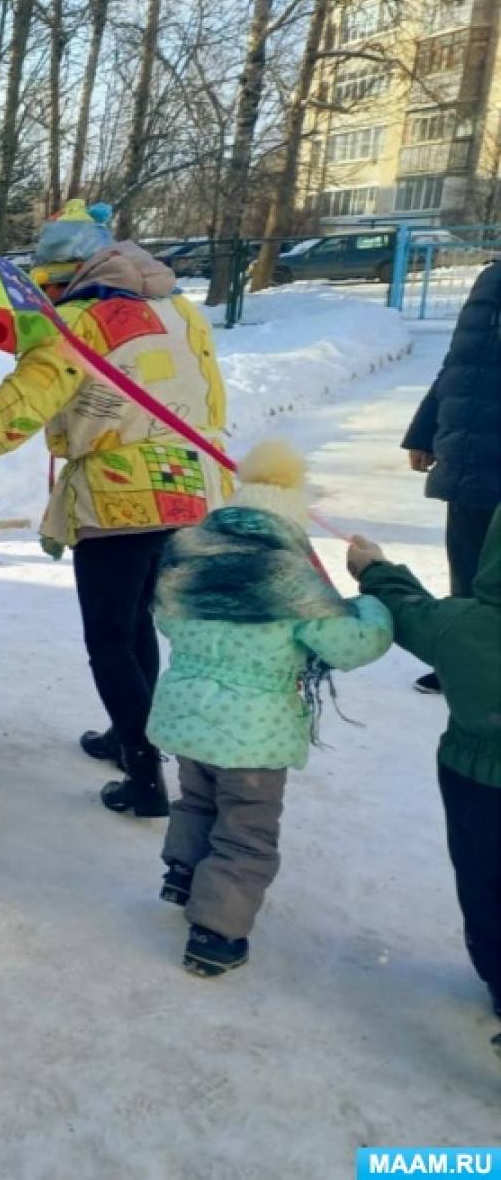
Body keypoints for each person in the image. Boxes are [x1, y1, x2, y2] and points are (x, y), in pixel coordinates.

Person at [0, 199, 230, 815]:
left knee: (111, 637)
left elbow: (16, 409)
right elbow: (212, 400)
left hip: (119, 497)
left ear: (62, 275)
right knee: (136, 621)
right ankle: (128, 737)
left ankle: (146, 780)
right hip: (193, 487)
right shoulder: (180, 311)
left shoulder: (82, 321)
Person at [147, 441, 393, 976]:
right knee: (246, 830)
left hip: (186, 715)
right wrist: (373, 602)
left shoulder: (187, 558)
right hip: (253, 737)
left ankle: (183, 874)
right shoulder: (287, 577)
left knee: (197, 799)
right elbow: (351, 645)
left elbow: (165, 621)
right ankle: (216, 933)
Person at [348, 510, 501, 1033]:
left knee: (485, 883)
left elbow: (406, 608)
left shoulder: (463, 626)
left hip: (477, 784)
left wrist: (373, 568)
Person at [401, 260, 501, 694]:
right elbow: (458, 363)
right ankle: (463, 663)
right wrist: (424, 431)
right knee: (468, 571)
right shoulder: (491, 278)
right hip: (469, 455)